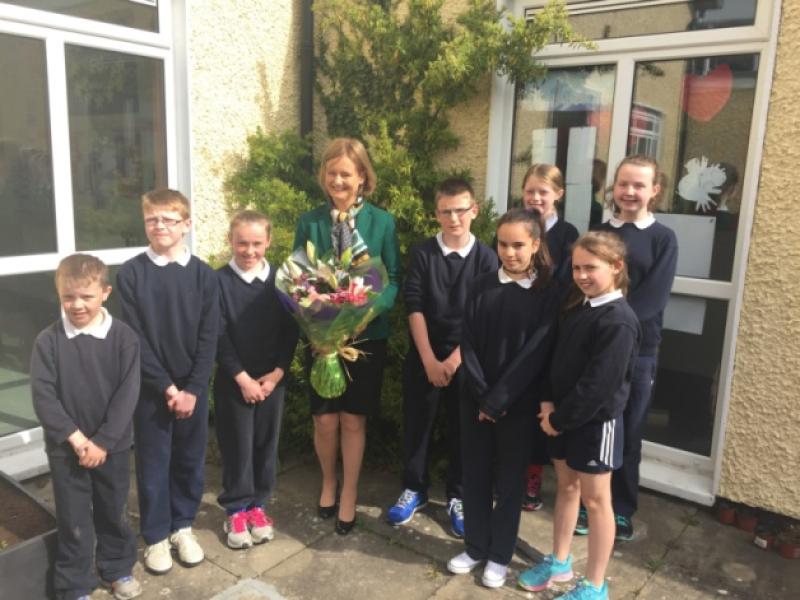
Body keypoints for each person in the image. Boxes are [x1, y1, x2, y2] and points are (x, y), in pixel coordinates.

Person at [518, 232, 641, 600]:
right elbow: (556, 360)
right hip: (561, 417)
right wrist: (547, 403)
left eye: (592, 267)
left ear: (616, 267)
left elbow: (598, 386)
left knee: (597, 500)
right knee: (567, 488)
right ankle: (559, 562)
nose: (582, 275)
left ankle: (595, 586)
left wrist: (559, 418)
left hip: (593, 424)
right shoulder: (579, 306)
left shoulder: (619, 320)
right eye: (576, 268)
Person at [293, 137, 401, 535]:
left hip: (365, 337)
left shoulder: (382, 223)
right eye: (331, 172)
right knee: (324, 421)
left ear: (361, 178)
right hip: (321, 336)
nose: (338, 180)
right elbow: (298, 277)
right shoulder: (310, 222)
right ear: (324, 176)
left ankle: (350, 492)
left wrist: (367, 312)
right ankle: (328, 482)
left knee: (353, 420)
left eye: (346, 173)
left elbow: (394, 279)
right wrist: (315, 310)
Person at [447, 208, 560, 588]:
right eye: (502, 244)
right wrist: (482, 396)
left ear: (535, 244)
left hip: (516, 404)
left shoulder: (547, 293)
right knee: (474, 474)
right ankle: (476, 545)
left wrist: (499, 400)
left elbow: (536, 353)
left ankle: (500, 555)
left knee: (510, 482)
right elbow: (469, 342)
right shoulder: (480, 284)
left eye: (518, 245)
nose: (509, 252)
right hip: (475, 401)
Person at [386, 177, 498, 537]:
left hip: (467, 359)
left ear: (474, 211)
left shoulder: (487, 258)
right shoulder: (422, 253)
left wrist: (452, 361)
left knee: (462, 430)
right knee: (418, 426)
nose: (454, 218)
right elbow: (414, 306)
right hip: (424, 356)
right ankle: (414, 488)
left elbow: (483, 317)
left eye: (461, 210)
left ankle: (457, 495)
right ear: (436, 214)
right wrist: (430, 361)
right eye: (446, 211)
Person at [117, 189, 219, 573]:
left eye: (169, 219)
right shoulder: (131, 274)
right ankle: (156, 536)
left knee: (189, 461)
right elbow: (134, 337)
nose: (159, 226)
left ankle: (182, 526)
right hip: (150, 389)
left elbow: (210, 335)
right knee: (153, 463)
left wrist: (192, 388)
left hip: (192, 389)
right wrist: (167, 386)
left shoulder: (204, 275)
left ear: (186, 225)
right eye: (152, 219)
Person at [30, 254, 142, 600]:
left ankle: (117, 568)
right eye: (68, 297)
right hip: (67, 449)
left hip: (113, 446)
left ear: (105, 292)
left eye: (86, 296)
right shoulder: (47, 342)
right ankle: (74, 584)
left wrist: (104, 442)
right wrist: (78, 441)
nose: (77, 305)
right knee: (73, 519)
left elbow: (127, 394)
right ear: (59, 294)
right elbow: (44, 397)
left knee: (113, 510)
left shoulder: (124, 338)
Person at [587, 155, 678, 541]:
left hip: (638, 351)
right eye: (623, 183)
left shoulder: (663, 238)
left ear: (654, 190)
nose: (629, 191)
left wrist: (613, 327)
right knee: (591, 425)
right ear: (614, 187)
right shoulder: (600, 231)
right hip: (594, 347)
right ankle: (586, 504)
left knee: (629, 428)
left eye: (639, 185)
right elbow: (586, 280)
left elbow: (653, 298)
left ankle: (621, 508)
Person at [214, 210, 299, 549]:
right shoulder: (217, 282)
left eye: (257, 244)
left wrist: (278, 373)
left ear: (269, 242)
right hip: (234, 382)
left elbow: (291, 329)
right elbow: (218, 334)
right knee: (237, 446)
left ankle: (258, 506)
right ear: (231, 241)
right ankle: (235, 508)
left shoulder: (282, 280)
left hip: (271, 382)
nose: (249, 251)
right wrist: (243, 379)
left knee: (265, 445)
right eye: (242, 243)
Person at [518, 163, 579, 512]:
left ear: (558, 194)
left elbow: (569, 284)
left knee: (542, 405)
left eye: (543, 192)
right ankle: (511, 469)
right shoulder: (517, 225)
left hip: (551, 331)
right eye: (530, 191)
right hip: (518, 328)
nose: (536, 198)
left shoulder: (569, 234)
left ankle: (533, 478)